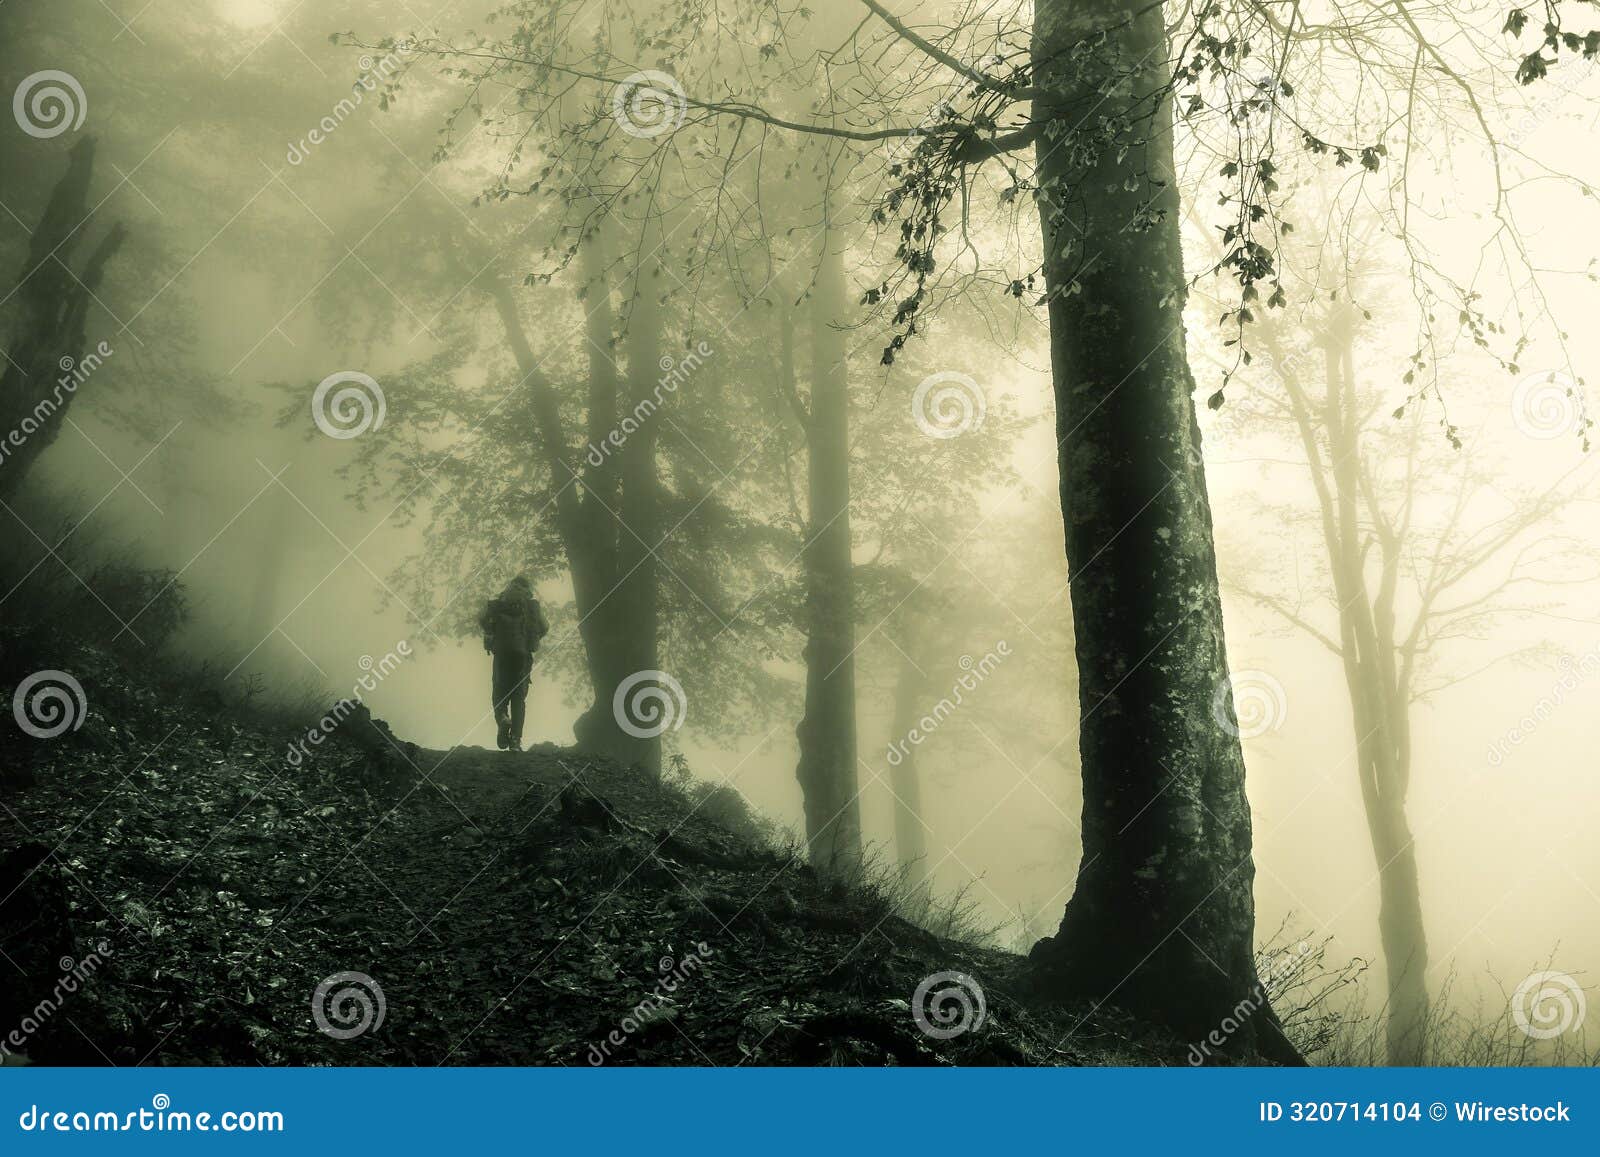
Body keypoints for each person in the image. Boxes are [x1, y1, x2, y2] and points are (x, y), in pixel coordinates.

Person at [477, 575, 548, 752]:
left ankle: (502, 718)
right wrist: (533, 637)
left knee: (498, 692)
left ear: (510, 585)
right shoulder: (532, 606)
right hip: (523, 657)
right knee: (519, 698)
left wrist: (492, 632)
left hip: (501, 655)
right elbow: (545, 626)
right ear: (528, 587)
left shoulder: (497, 603)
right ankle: (515, 741)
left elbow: (482, 619)